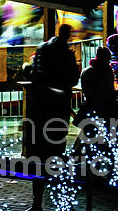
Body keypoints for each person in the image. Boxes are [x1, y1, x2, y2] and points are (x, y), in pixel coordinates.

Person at [26, 24, 80, 211]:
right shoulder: (68, 54)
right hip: (58, 109)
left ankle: (37, 201)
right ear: (68, 35)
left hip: (40, 109)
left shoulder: (42, 49)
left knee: (38, 155)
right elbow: (73, 79)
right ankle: (60, 198)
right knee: (56, 152)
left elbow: (34, 74)